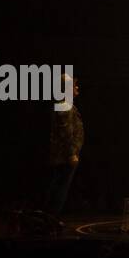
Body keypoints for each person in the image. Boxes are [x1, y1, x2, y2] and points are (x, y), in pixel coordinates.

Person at [45, 74, 83, 217]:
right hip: (64, 156)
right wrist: (71, 153)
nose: (76, 87)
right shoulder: (64, 105)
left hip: (63, 155)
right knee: (59, 187)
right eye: (74, 85)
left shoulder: (65, 104)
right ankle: (50, 217)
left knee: (59, 186)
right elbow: (66, 132)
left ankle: (50, 216)